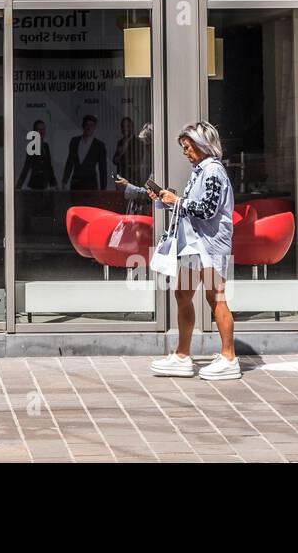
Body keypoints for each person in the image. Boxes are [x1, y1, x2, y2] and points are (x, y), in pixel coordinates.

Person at [118, 120, 238, 381]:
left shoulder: (213, 171)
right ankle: (182, 355)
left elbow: (207, 209)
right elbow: (193, 206)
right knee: (182, 294)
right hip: (196, 245)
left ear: (203, 144)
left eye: (188, 146)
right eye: (184, 147)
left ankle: (229, 357)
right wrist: (165, 198)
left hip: (210, 245)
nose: (185, 152)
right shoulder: (201, 170)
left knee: (215, 298)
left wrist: (176, 200)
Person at [62, 114, 106, 191]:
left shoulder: (99, 145)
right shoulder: (74, 141)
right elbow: (70, 162)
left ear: (94, 127)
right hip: (76, 181)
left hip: (90, 182)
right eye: (87, 125)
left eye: (91, 125)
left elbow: (102, 168)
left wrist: (103, 189)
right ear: (83, 126)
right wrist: (64, 181)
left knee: (90, 203)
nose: (89, 127)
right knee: (75, 203)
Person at [15, 119, 58, 190]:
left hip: (45, 183)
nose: (42, 132)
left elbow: (49, 166)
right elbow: (27, 166)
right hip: (36, 184)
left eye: (43, 129)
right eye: (39, 129)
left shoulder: (46, 146)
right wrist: (19, 185)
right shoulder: (32, 146)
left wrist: (54, 184)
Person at [112, 116, 143, 186]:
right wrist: (122, 151)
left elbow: (137, 163)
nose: (125, 129)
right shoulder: (120, 142)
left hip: (133, 181)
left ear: (132, 128)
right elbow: (114, 160)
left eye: (127, 126)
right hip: (121, 180)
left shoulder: (138, 143)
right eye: (123, 126)